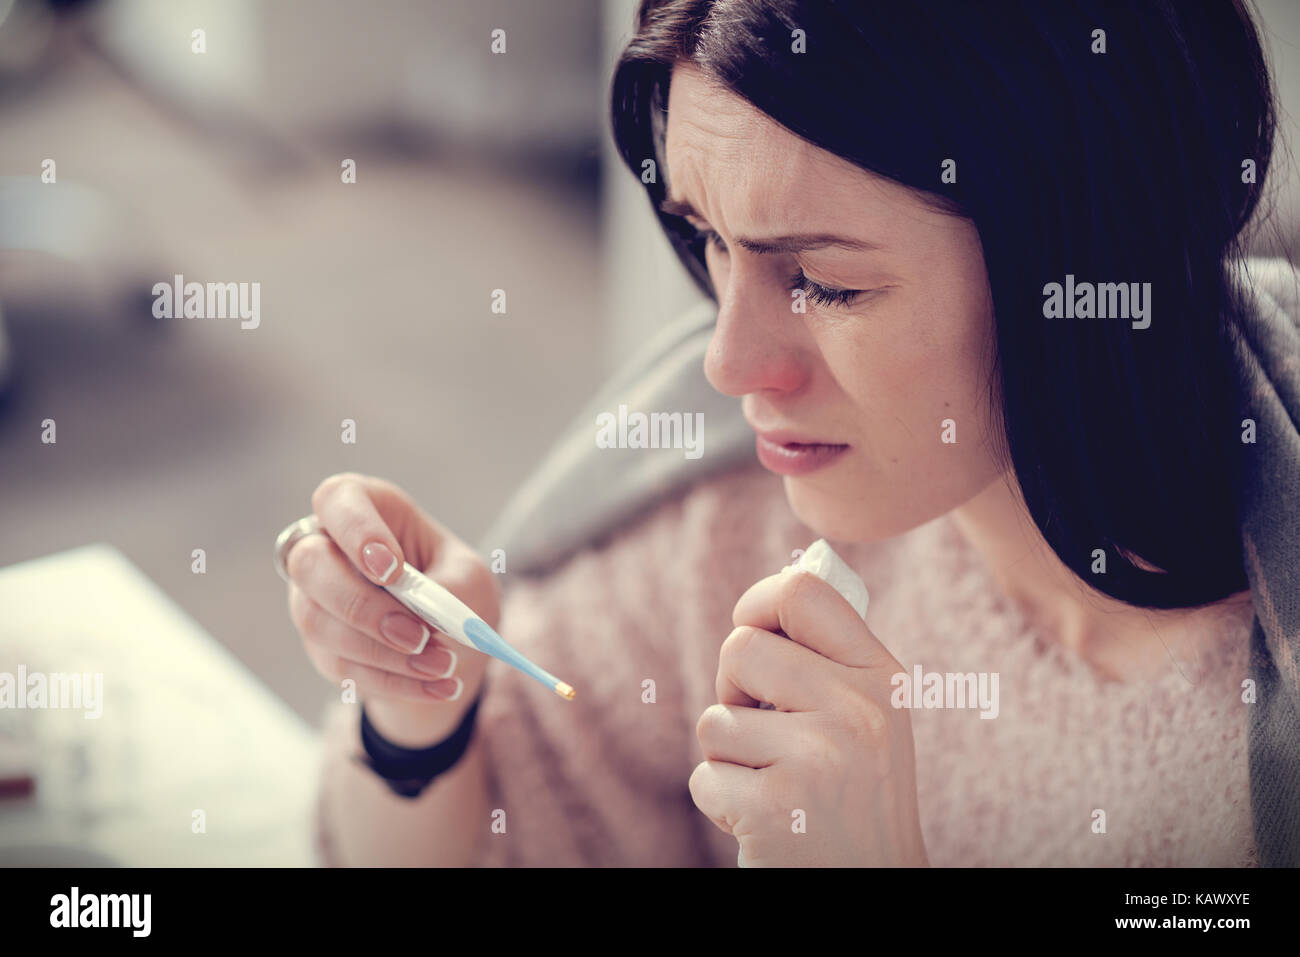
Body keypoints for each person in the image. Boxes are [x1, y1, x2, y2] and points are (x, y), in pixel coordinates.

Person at [286, 0, 1297, 866]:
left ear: (1077, 260)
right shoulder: (727, 517)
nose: (727, 364)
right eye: (708, 241)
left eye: (826, 282)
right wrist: (419, 723)